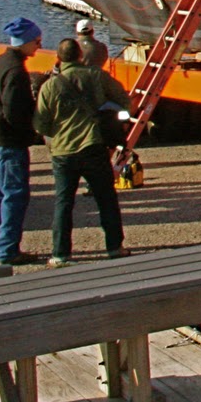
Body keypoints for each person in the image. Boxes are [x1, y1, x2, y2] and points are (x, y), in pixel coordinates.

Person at [35, 38, 128, 265]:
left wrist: (56, 135)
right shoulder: (96, 76)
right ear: (80, 56)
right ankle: (114, 247)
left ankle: (60, 253)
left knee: (63, 202)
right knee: (106, 199)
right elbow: (124, 100)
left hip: (62, 152)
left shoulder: (49, 86)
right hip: (93, 145)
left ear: (58, 59)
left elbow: (40, 124)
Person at [0, 18, 43, 264]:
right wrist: (32, 134)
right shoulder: (16, 72)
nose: (39, 46)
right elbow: (14, 112)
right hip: (10, 142)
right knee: (14, 195)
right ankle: (8, 250)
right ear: (26, 41)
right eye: (37, 41)